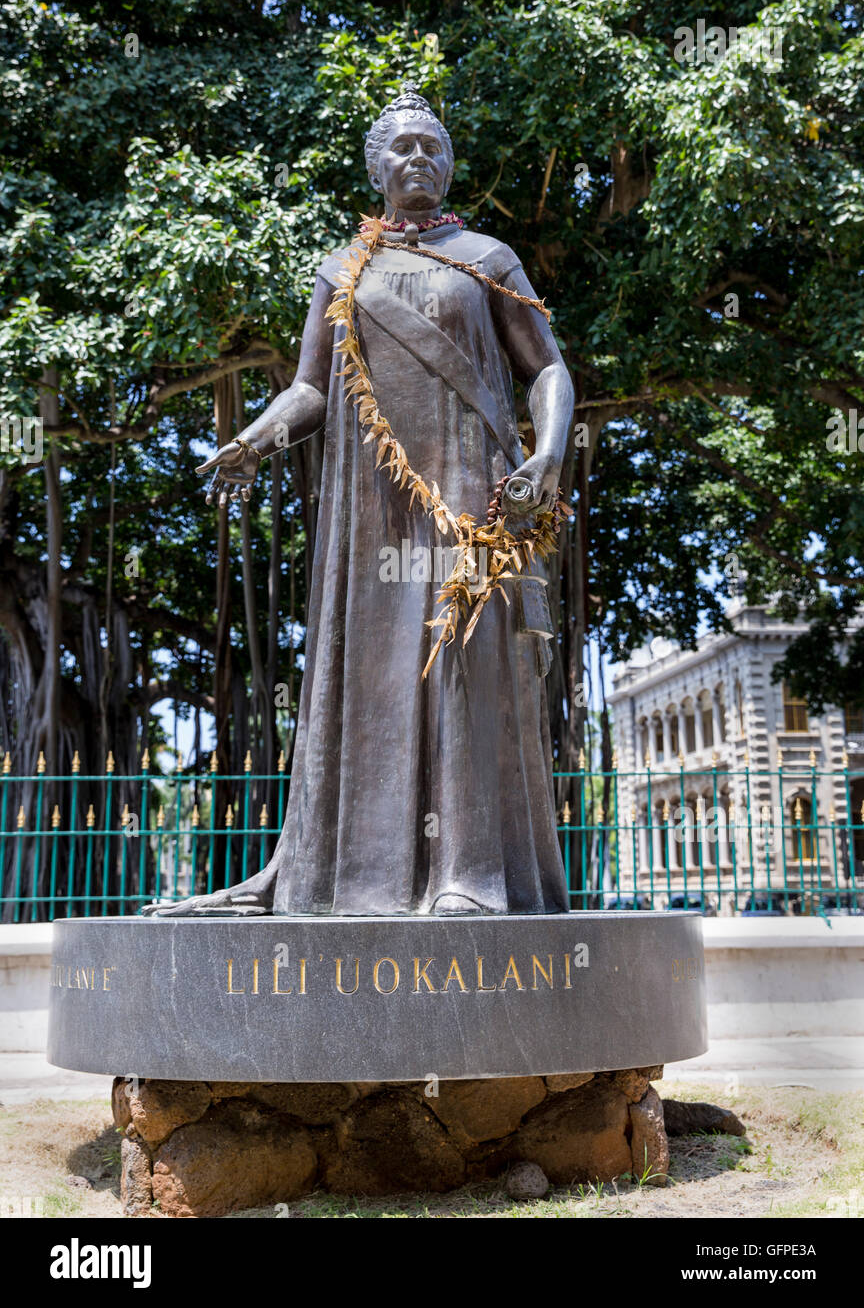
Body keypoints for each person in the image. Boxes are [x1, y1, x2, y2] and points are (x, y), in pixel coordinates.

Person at [148, 85, 574, 917]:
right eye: (401, 148)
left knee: (462, 663)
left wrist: (551, 456)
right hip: (369, 509)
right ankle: (343, 879)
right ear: (376, 166)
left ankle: (468, 876)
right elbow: (309, 387)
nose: (418, 159)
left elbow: (547, 368)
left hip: (471, 497)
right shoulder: (343, 269)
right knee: (368, 674)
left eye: (432, 147)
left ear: (449, 165)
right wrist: (254, 442)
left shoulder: (488, 257)